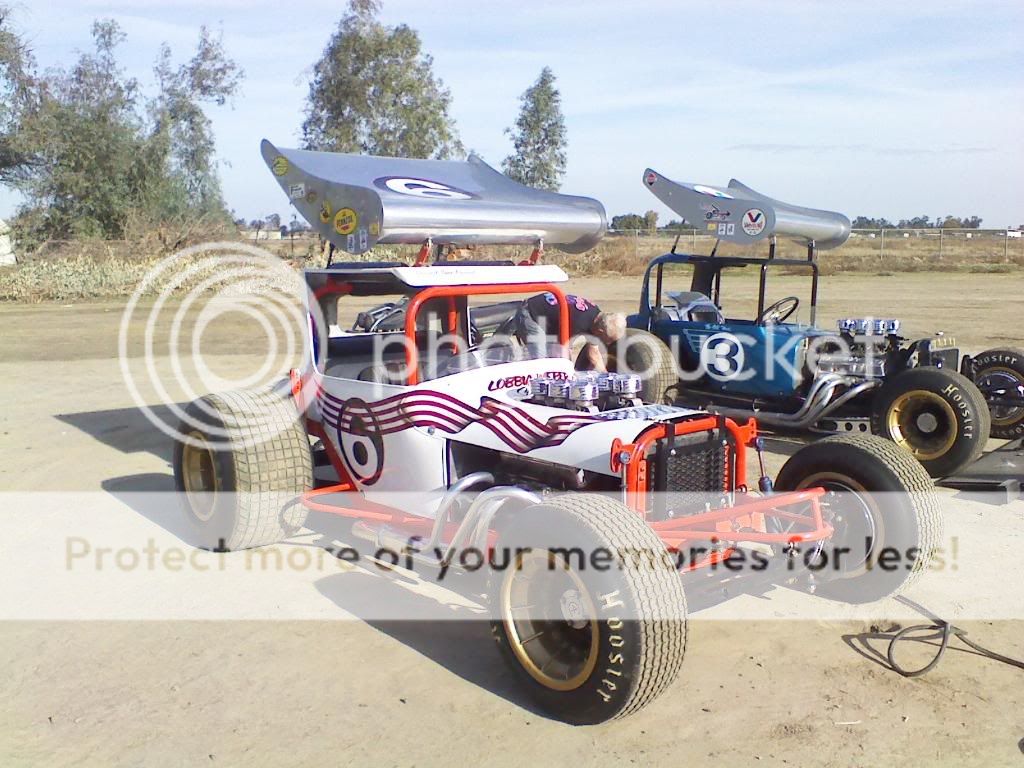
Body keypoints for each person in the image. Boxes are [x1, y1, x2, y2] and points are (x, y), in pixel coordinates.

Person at [498, 292, 627, 372]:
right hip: (530, 313)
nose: (607, 343)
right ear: (600, 331)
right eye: (607, 339)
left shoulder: (597, 317)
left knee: (556, 358)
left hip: (548, 316)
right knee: (542, 359)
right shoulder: (579, 322)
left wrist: (606, 377)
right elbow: (560, 351)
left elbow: (593, 353)